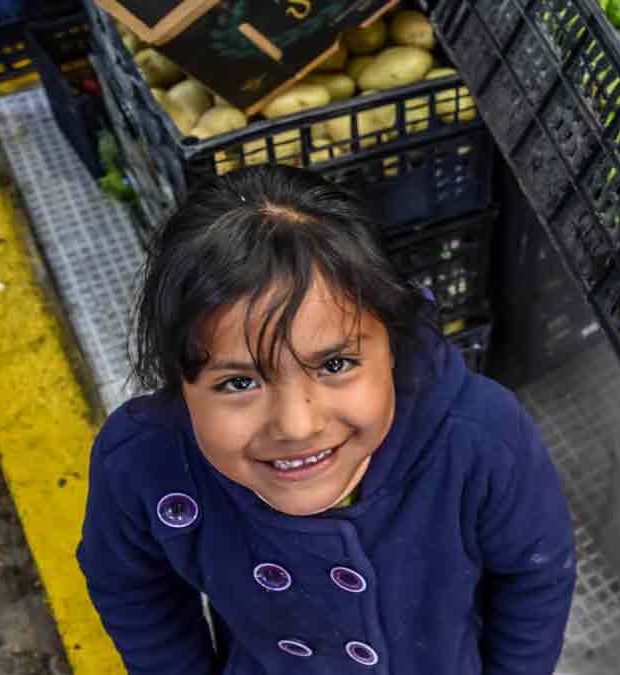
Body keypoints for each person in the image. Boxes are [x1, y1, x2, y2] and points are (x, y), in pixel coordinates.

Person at [77, 166, 577, 674]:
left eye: (335, 365)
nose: (296, 426)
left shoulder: (482, 440)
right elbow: (128, 585)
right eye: (239, 383)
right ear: (180, 385)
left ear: (393, 345)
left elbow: (536, 576)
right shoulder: (142, 466)